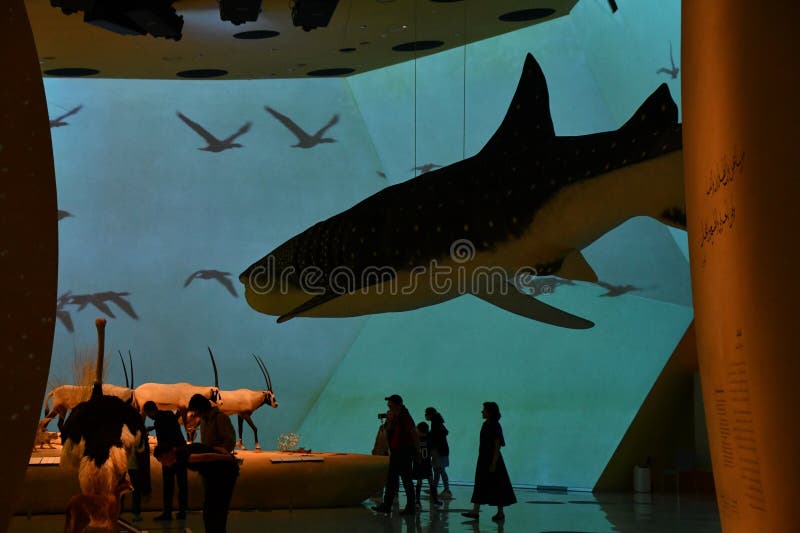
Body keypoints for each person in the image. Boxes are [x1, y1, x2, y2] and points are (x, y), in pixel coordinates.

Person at [154, 442, 240, 533]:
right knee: (212, 510)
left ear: (166, 455)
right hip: (217, 475)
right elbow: (214, 447)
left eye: (161, 460)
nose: (163, 464)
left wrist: (226, 457)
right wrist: (225, 453)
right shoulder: (181, 451)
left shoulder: (183, 456)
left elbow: (206, 457)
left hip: (224, 474)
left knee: (215, 510)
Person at [461, 401, 516, 522]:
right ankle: (476, 510)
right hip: (483, 458)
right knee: (480, 483)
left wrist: (493, 463)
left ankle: (500, 512)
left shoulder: (495, 425)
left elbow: (497, 447)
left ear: (490, 412)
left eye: (484, 409)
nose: (482, 411)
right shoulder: (485, 424)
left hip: (492, 459)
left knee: (497, 484)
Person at [373, 394, 420, 515]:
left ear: (396, 404)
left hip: (403, 452)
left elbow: (413, 433)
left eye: (390, 403)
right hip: (397, 451)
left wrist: (418, 451)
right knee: (393, 479)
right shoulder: (397, 416)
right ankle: (388, 506)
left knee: (404, 480)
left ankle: (409, 507)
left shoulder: (404, 416)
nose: (388, 404)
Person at [143, 400, 188, 521]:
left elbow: (163, 440)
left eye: (147, 414)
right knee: (182, 484)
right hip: (181, 452)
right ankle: (182, 512)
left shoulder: (159, 421)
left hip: (169, 455)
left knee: (168, 485)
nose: (149, 417)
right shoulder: (168, 414)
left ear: (149, 411)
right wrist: (153, 427)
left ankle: (167, 513)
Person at [412, 421, 442, 510]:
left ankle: (417, 501)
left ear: (419, 430)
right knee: (431, 481)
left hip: (418, 463)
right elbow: (433, 452)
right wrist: (434, 461)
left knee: (419, 482)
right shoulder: (429, 439)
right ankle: (435, 500)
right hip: (427, 464)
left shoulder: (416, 440)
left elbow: (413, 451)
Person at [425, 406, 452, 500]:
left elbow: (435, 438)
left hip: (439, 451)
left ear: (430, 414)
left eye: (426, 414)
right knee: (437, 469)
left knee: (440, 469)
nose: (425, 416)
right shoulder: (438, 423)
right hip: (442, 450)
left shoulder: (435, 424)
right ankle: (434, 488)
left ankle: (447, 489)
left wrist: (433, 449)